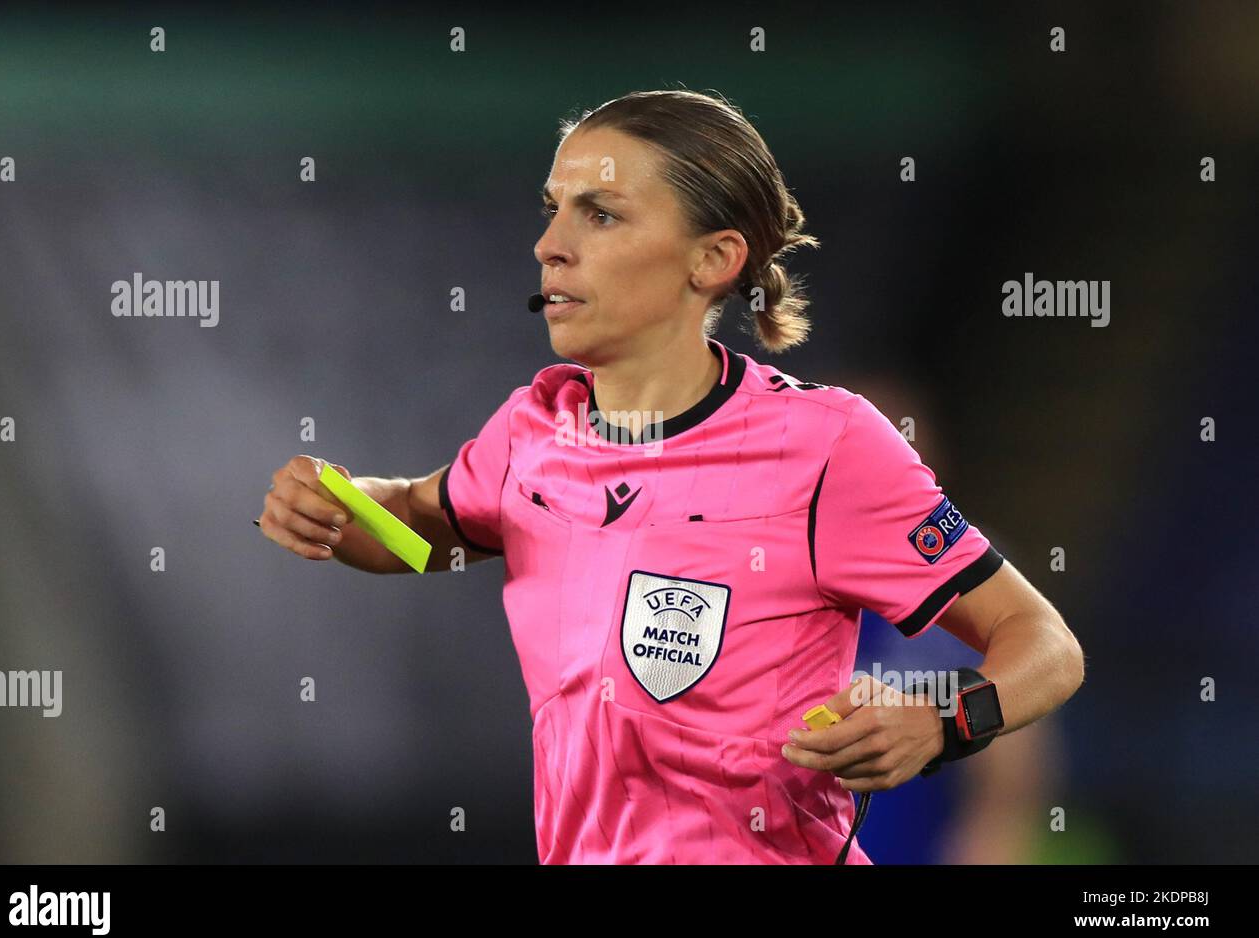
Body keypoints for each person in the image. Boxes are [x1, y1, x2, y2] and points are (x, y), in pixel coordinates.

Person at [257, 89, 1085, 864]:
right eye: (554, 210)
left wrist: (945, 717)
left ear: (714, 258)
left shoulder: (828, 445)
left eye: (602, 214)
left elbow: (1046, 645)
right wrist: (338, 500)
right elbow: (414, 532)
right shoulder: (531, 431)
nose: (551, 244)